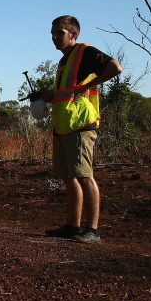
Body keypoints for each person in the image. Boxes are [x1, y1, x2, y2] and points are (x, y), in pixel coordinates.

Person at [42, 15, 122, 244]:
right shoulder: (63, 61)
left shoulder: (84, 52)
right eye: (53, 33)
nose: (55, 37)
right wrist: (50, 96)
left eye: (59, 33)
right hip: (63, 126)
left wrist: (87, 86)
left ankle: (92, 230)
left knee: (85, 176)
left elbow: (115, 68)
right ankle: (73, 226)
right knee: (69, 177)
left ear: (73, 35)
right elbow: (67, 93)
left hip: (80, 126)